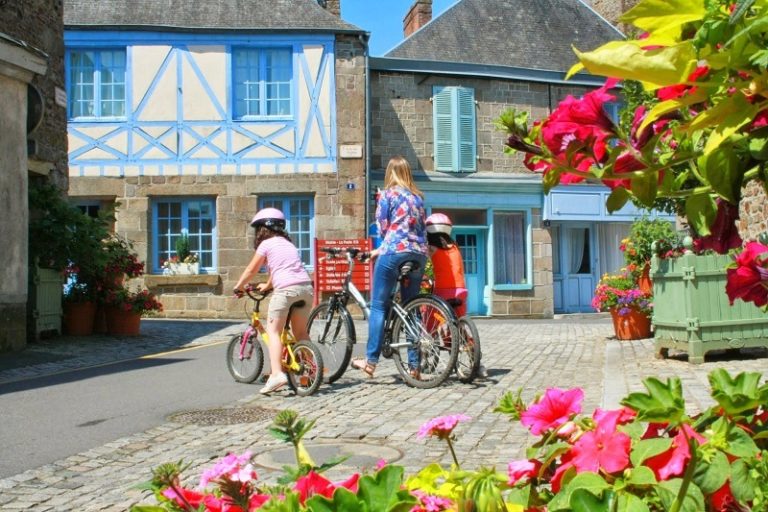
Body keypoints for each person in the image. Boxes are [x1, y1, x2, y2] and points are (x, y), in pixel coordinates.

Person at [351, 156, 428, 379]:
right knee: (411, 306)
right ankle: (415, 366)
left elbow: (384, 228)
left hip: (394, 252)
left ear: (390, 173)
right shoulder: (418, 198)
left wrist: (381, 249)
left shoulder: (387, 194)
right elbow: (419, 229)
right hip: (418, 253)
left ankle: (370, 361)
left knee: (378, 306)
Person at [233, 207, 314, 394]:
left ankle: (277, 374)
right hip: (306, 288)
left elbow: (251, 270)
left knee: (274, 331)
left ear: (262, 229)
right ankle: (311, 372)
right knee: (301, 333)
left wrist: (238, 286)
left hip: (285, 290)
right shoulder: (289, 244)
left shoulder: (266, 245)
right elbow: (280, 269)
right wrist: (268, 285)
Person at [425, 213, 487, 379]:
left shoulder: (431, 247)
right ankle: (477, 363)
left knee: (430, 321)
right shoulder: (454, 246)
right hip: (460, 291)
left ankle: (425, 349)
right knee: (461, 325)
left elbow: (422, 263)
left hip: (443, 292)